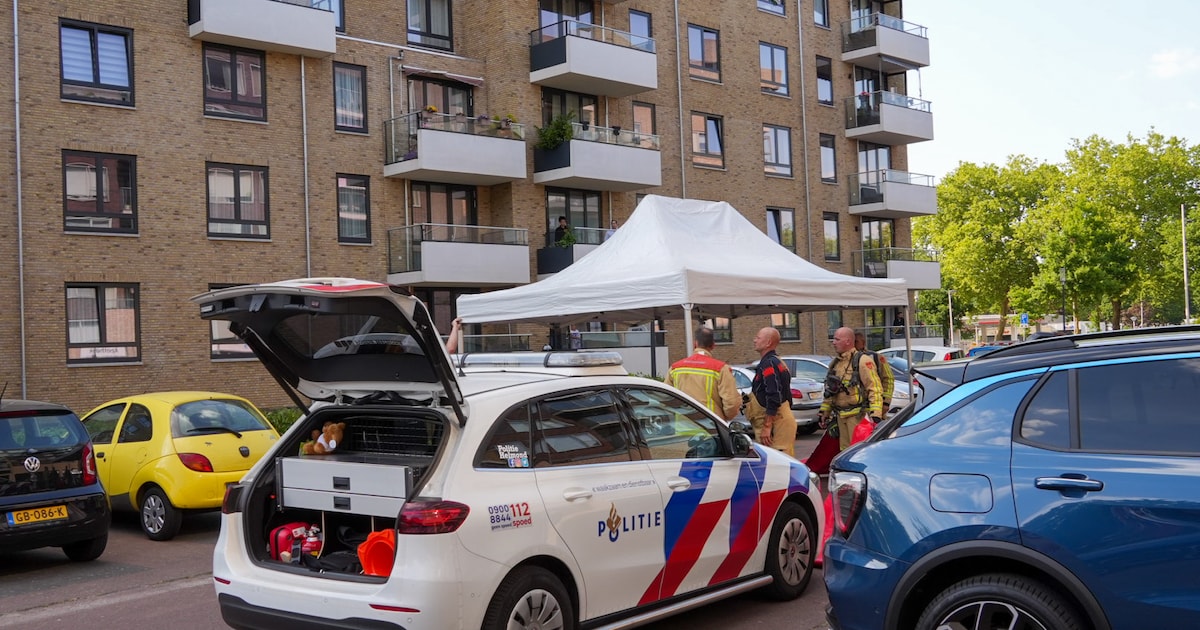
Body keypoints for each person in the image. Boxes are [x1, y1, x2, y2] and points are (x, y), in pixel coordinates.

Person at [817, 327, 884, 452]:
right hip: (841, 416)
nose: (833, 342)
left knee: (858, 451)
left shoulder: (863, 361)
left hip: (858, 417)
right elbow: (831, 390)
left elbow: (874, 388)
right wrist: (824, 412)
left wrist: (876, 415)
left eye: (837, 339)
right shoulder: (835, 363)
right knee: (845, 451)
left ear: (848, 341)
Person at [666, 326, 741, 421]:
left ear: (695, 344)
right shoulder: (721, 369)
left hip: (683, 425)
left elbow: (666, 398)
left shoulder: (675, 368)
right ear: (713, 345)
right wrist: (724, 418)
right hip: (711, 425)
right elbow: (731, 402)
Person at [745, 327, 798, 457]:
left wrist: (767, 426)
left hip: (776, 423)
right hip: (781, 419)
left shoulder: (768, 364)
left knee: (777, 461)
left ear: (768, 342)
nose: (754, 340)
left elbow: (774, 394)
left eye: (758, 338)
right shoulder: (776, 361)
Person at [854, 331, 894, 416]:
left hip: (873, 409)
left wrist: (886, 402)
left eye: (856, 341)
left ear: (863, 343)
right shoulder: (846, 361)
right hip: (854, 411)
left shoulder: (877, 358)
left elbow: (889, 379)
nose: (854, 344)